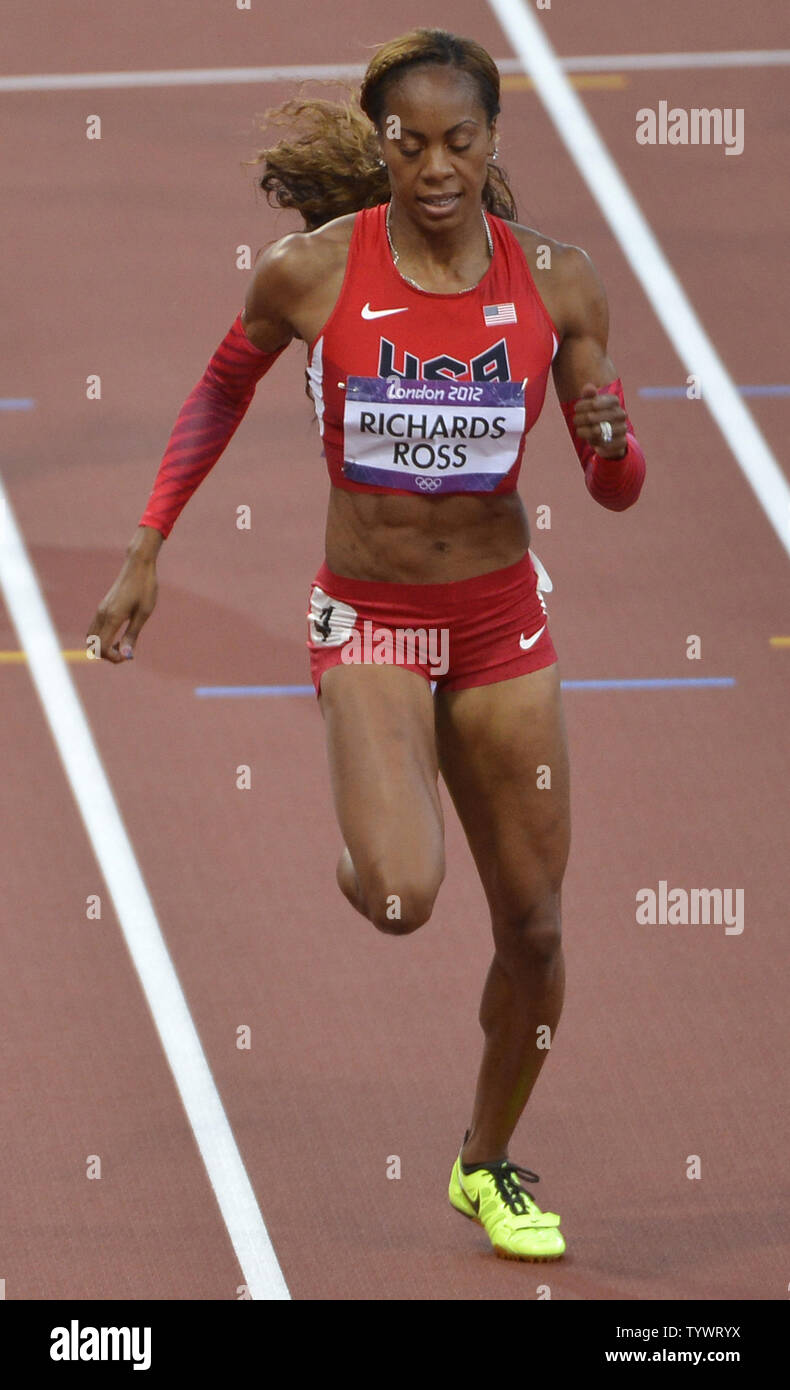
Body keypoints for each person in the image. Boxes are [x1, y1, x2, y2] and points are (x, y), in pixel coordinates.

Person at [88, 27, 645, 1263]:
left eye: (459, 140)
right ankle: (369, 804)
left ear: (493, 142)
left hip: (502, 621)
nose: (435, 165)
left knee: (538, 932)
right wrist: (145, 545)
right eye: (409, 141)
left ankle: (484, 1165)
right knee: (399, 894)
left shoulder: (560, 282)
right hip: (372, 618)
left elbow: (616, 486)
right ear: (379, 145)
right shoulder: (310, 273)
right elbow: (217, 390)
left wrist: (610, 445)